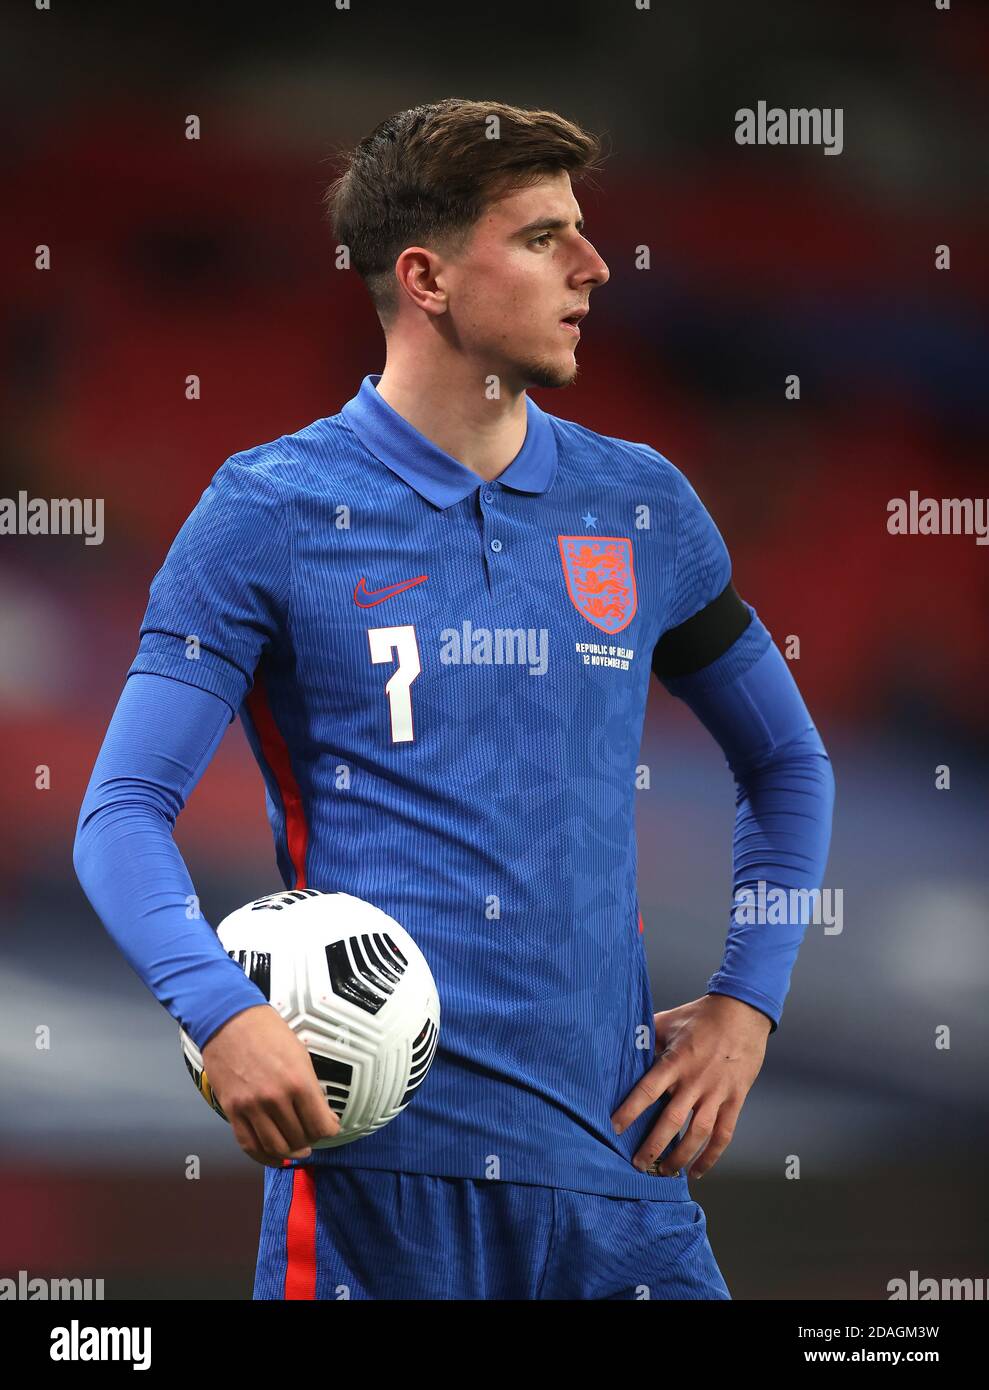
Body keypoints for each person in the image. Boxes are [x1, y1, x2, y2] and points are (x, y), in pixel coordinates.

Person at [74, 98, 835, 1300]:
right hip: (382, 1188)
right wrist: (220, 1011)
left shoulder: (638, 505)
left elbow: (788, 767)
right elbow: (118, 810)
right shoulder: (268, 510)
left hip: (622, 1177)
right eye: (541, 239)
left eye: (581, 234)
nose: (592, 267)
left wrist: (749, 998)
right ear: (424, 277)